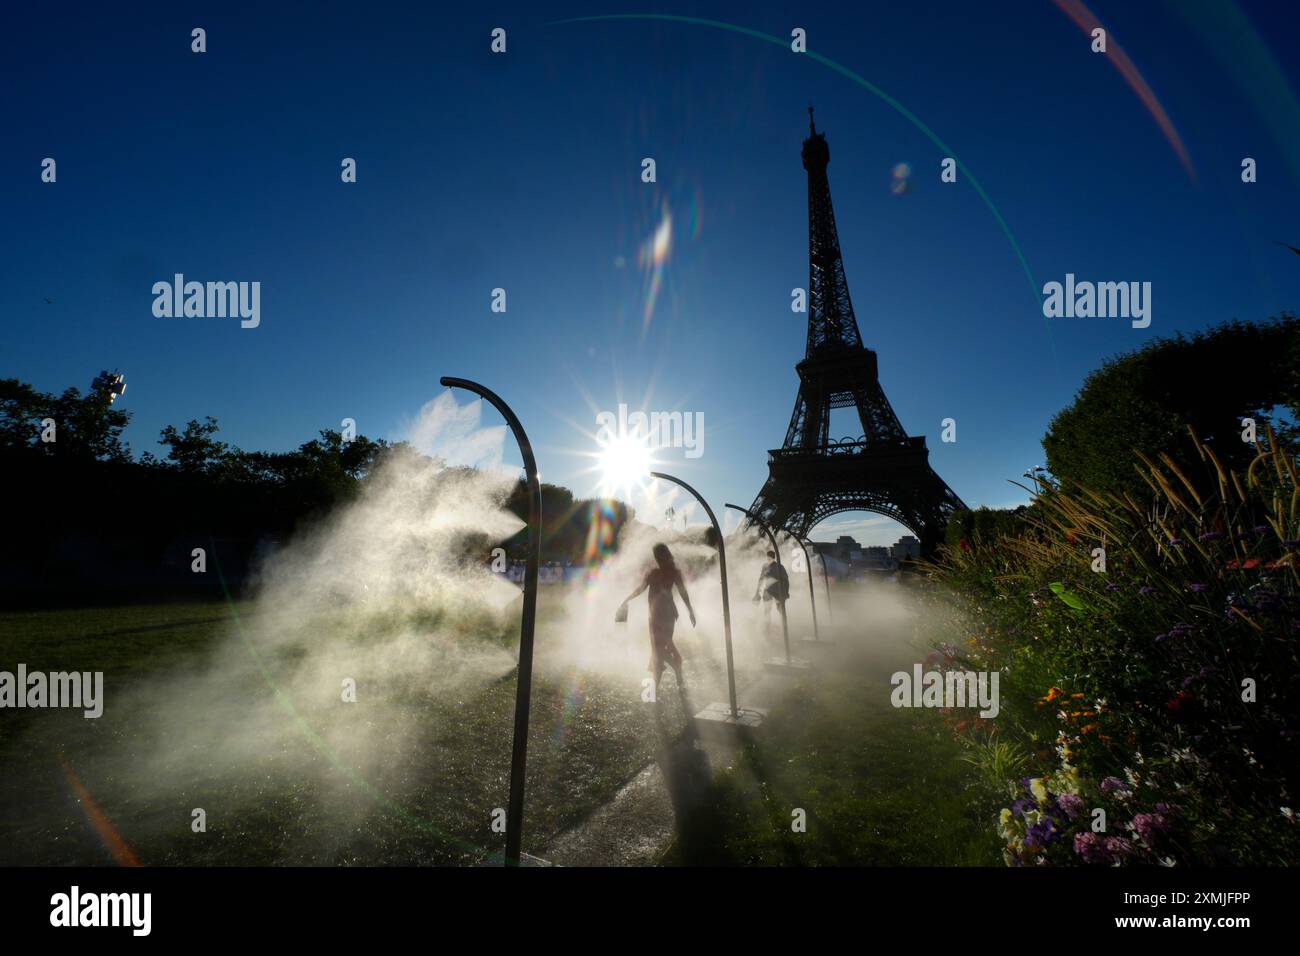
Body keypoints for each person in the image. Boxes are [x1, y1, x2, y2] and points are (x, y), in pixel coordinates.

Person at [619, 543, 695, 689]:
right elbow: (640, 589)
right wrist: (626, 599)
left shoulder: (668, 572)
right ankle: (676, 666)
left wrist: (690, 610)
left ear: (664, 556)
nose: (658, 559)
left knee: (659, 649)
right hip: (658, 615)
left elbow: (683, 591)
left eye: (659, 556)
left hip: (663, 615)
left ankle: (660, 683)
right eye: (657, 557)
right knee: (660, 647)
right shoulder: (658, 573)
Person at [754, 550, 790, 632]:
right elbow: (761, 579)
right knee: (767, 610)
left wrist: (786, 592)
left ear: (773, 557)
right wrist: (757, 593)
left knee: (780, 609)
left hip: (778, 591)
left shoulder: (780, 567)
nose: (769, 558)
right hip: (769, 591)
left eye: (770, 556)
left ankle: (785, 628)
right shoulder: (765, 566)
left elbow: (786, 580)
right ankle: (767, 629)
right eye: (768, 556)